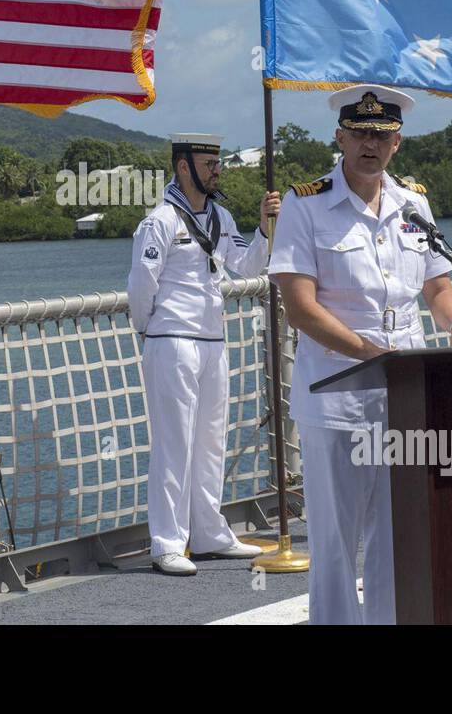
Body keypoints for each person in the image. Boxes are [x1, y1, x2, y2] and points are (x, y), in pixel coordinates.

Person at [268, 85, 452, 623]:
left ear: (397, 144)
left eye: (381, 135)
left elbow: (436, 286)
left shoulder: (415, 203)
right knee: (336, 540)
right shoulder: (305, 203)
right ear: (339, 137)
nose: (370, 143)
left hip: (407, 395)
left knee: (400, 531)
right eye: (360, 133)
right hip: (337, 396)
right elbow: (300, 308)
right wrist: (371, 354)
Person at [127, 133, 280, 575]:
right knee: (174, 444)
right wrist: (151, 330)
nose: (217, 170)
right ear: (183, 167)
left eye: (218, 162)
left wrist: (265, 229)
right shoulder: (160, 221)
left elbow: (249, 266)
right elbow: (141, 285)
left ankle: (210, 533)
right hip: (171, 339)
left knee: (212, 441)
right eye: (208, 163)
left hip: (213, 341)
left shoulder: (221, 216)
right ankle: (167, 542)